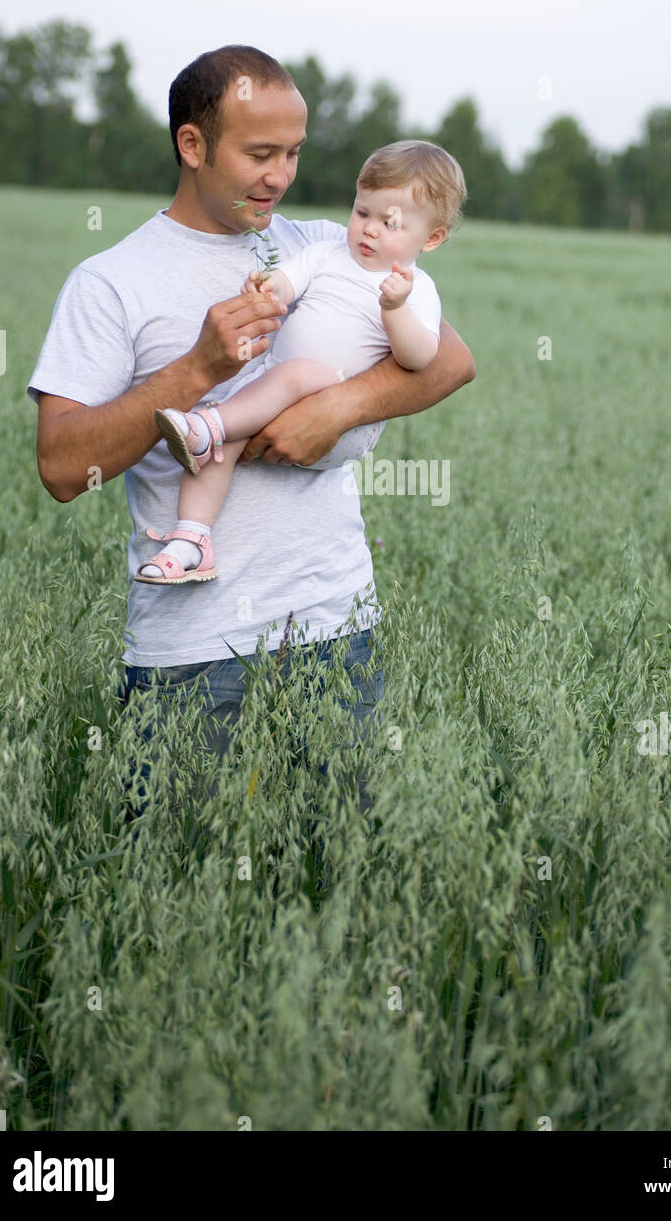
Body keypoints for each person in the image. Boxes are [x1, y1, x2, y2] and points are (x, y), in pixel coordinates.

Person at [29, 44, 475, 821]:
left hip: (337, 628)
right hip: (191, 653)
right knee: (170, 894)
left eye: (295, 153)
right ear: (192, 145)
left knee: (338, 880)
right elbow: (63, 466)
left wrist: (337, 408)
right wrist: (197, 368)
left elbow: (449, 362)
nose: (281, 176)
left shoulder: (321, 245)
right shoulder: (109, 283)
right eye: (259, 153)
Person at [135, 139, 465, 585]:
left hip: (341, 421)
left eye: (390, 222)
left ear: (433, 238)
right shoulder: (326, 254)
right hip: (277, 391)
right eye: (362, 212)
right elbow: (288, 284)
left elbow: (421, 357)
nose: (368, 230)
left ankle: (207, 427)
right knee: (220, 450)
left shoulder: (414, 289)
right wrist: (266, 290)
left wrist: (395, 310)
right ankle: (191, 542)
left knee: (287, 379)